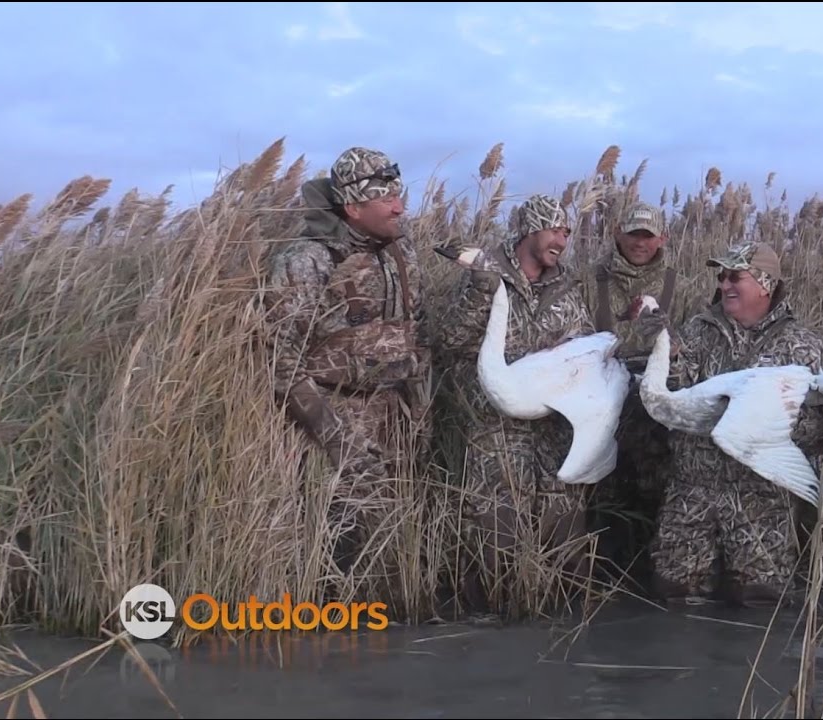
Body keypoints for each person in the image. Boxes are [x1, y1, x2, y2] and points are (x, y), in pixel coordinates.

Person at [262, 146, 425, 578]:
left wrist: (416, 409)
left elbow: (414, 332)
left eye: (398, 193)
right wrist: (338, 440)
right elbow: (282, 365)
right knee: (336, 556)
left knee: (388, 557)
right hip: (329, 431)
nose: (399, 206)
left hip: (392, 421)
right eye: (386, 198)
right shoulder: (306, 260)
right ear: (352, 207)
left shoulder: (399, 256)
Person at [638, 241, 823, 607]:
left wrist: (764, 432)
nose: (724, 284)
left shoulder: (801, 345)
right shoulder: (697, 331)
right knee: (672, 595)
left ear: (765, 284)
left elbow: (815, 424)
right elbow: (675, 399)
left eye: (735, 277)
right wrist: (667, 352)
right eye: (722, 276)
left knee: (761, 601)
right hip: (694, 489)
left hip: (762, 496)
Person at [433, 194, 598, 602]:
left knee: (563, 523)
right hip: (495, 429)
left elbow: (584, 350)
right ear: (530, 229)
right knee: (495, 524)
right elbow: (450, 340)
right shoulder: (486, 276)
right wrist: (480, 291)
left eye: (567, 232)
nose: (563, 240)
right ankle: (491, 617)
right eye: (555, 230)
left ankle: (564, 615)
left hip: (554, 429)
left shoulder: (568, 286)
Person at [585, 201, 683, 581]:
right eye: (633, 234)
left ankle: (648, 575)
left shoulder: (679, 282)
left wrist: (671, 347)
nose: (640, 243)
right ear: (617, 233)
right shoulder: (593, 279)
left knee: (655, 487)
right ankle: (603, 576)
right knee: (603, 490)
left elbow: (691, 344)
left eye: (648, 235)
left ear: (663, 237)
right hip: (603, 401)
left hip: (655, 404)